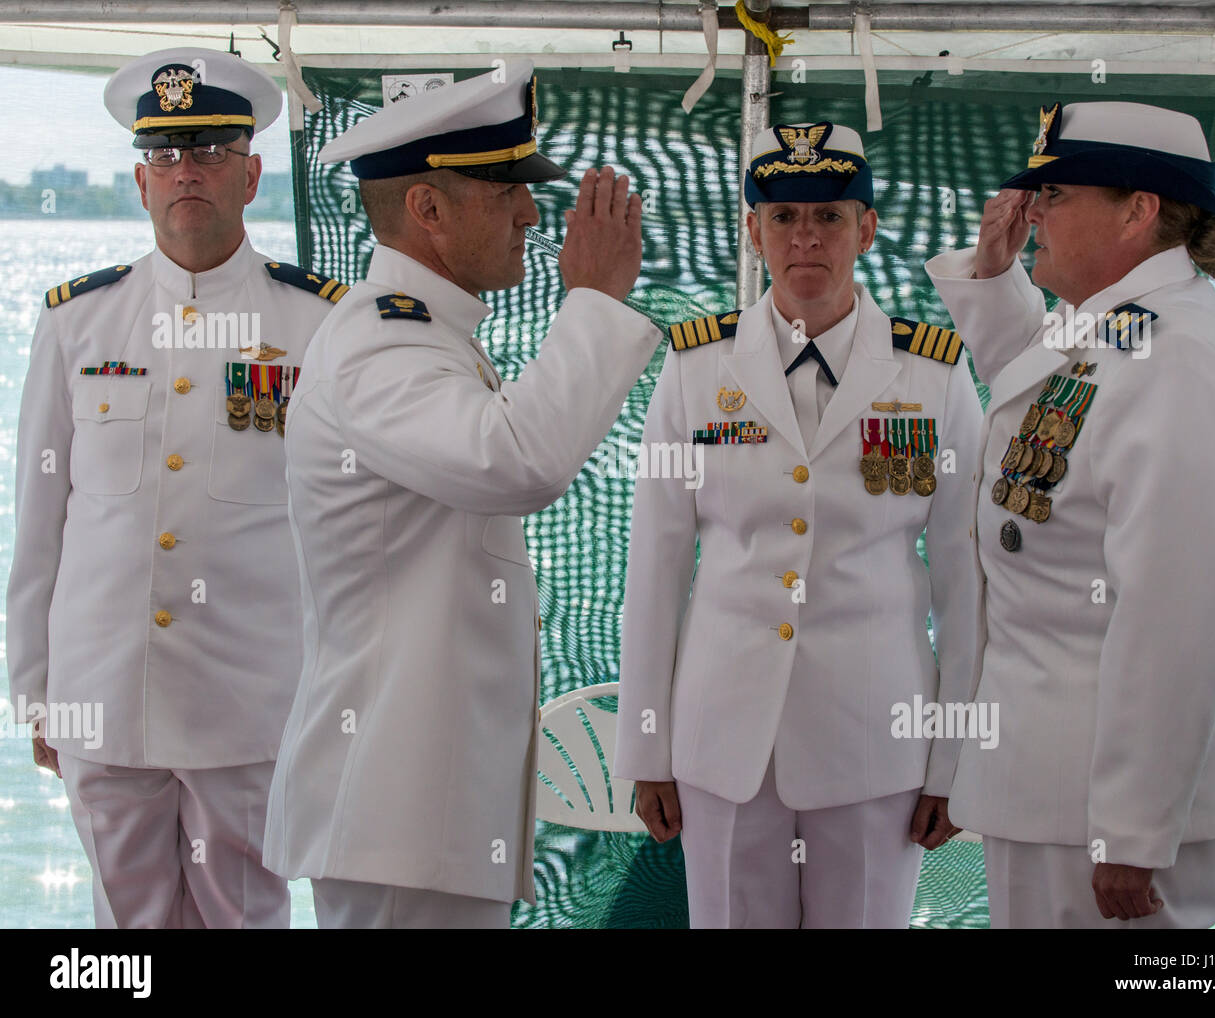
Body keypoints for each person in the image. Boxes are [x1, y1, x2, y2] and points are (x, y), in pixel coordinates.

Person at [261, 61, 661, 929]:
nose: (529, 211)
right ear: (429, 211)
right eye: (505, 187)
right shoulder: (380, 342)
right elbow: (516, 461)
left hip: (426, 811)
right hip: (398, 809)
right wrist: (590, 302)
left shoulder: (429, 336)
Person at [925, 100, 1215, 928]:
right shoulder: (1124, 326)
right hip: (1058, 785)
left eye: (1058, 195)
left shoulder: (1175, 359)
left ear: (1140, 209)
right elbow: (1048, 395)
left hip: (1107, 814)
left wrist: (1133, 828)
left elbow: (1175, 617)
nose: (1033, 213)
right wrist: (993, 274)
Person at [7, 47, 345, 928]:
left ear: (252, 175)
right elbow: (40, 523)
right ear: (139, 182)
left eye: (209, 153)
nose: (185, 171)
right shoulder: (77, 321)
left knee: (247, 915)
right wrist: (35, 690)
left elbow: (345, 533)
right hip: (104, 695)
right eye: (166, 157)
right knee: (128, 928)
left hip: (252, 702)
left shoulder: (317, 324)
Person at [612, 122, 982, 928]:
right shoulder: (695, 370)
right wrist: (647, 748)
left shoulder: (935, 376)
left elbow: (965, 583)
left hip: (879, 744)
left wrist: (955, 758)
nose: (805, 237)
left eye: (829, 216)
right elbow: (656, 568)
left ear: (867, 229)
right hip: (722, 744)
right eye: (782, 218)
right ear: (752, 230)